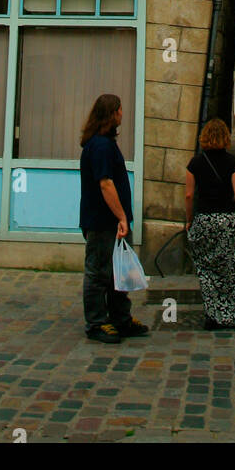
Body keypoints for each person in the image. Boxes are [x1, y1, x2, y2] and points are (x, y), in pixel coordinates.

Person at [79, 93, 149, 343]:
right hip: (102, 221)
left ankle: (121, 318)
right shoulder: (100, 146)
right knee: (98, 273)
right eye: (120, 110)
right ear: (112, 113)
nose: (122, 114)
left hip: (111, 222)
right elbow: (106, 184)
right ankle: (96, 323)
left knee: (118, 273)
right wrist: (121, 217)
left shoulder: (105, 143)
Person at [185, 118, 235, 330]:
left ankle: (213, 315)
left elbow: (188, 194)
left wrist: (189, 219)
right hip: (227, 219)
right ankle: (233, 315)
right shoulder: (232, 162)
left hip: (204, 218)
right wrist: (232, 207)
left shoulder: (195, 163)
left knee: (207, 268)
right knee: (231, 268)